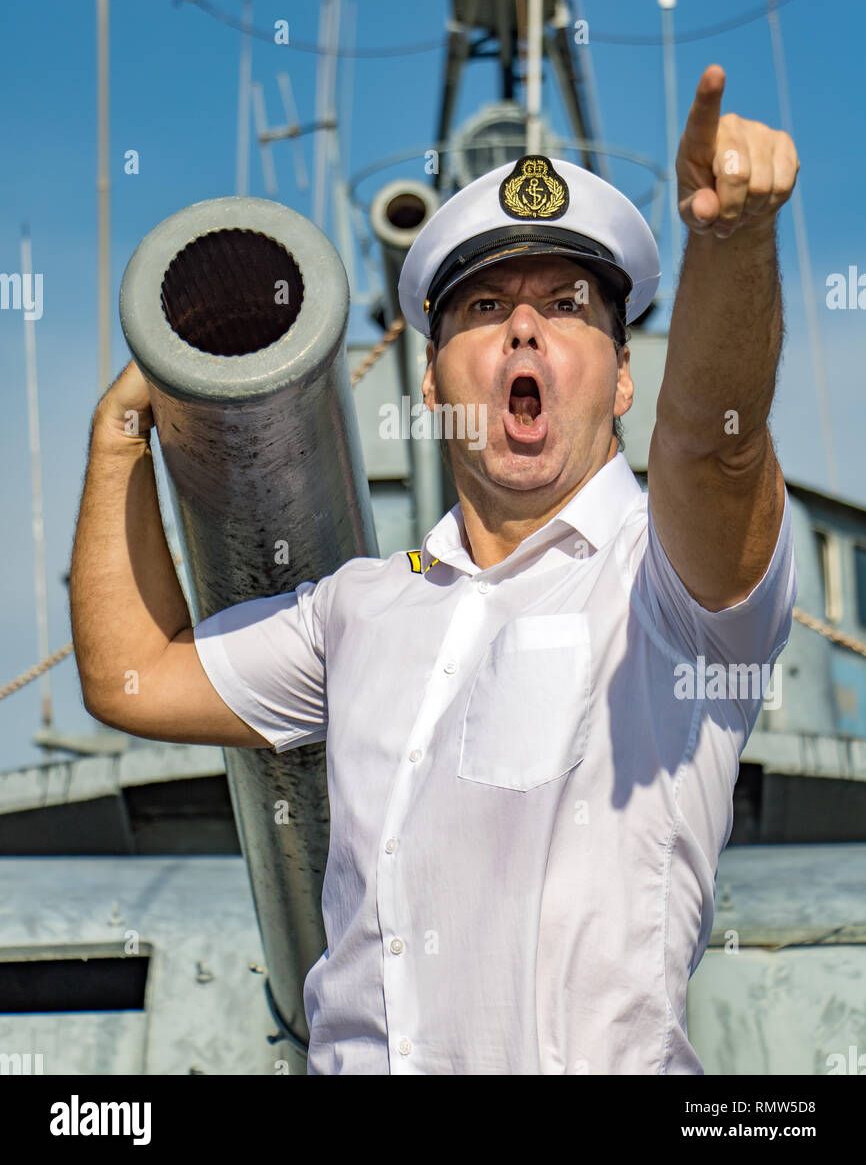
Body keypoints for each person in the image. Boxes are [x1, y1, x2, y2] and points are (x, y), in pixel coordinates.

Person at [70, 63, 799, 1074]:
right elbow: (130, 675)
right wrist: (118, 437)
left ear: (625, 373)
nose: (523, 326)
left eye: (570, 304)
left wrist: (729, 239)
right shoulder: (359, 608)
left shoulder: (670, 591)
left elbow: (712, 449)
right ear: (430, 378)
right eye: (484, 305)